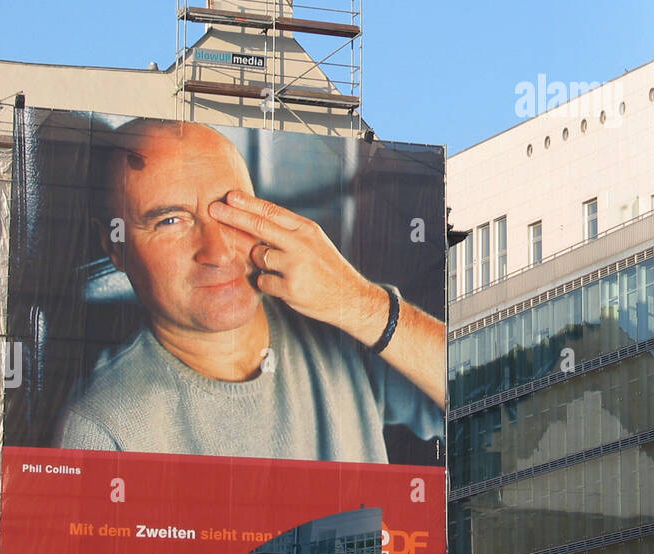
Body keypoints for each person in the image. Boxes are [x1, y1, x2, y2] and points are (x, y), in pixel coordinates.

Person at [55, 118, 445, 461]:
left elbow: (491, 399)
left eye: (231, 210)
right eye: (171, 221)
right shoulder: (101, 428)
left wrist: (361, 305)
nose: (219, 252)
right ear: (115, 247)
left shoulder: (345, 325)